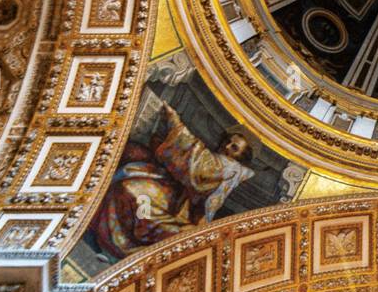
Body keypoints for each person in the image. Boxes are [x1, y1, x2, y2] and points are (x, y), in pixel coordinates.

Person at [89, 102, 255, 259]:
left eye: (234, 148)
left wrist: (174, 122)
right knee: (130, 180)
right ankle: (109, 235)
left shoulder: (231, 168)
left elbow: (198, 165)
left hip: (184, 210)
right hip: (176, 196)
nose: (226, 147)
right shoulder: (226, 166)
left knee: (132, 190)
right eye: (227, 141)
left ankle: (120, 243)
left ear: (242, 156)